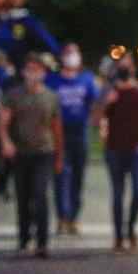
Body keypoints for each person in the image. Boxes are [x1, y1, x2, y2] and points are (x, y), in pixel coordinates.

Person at [0, 54, 64, 258]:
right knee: (23, 197)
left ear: (44, 72)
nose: (33, 73)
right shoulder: (14, 95)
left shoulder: (51, 97)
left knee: (40, 194)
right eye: (30, 69)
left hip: (44, 152)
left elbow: (56, 127)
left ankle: (42, 242)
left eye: (38, 69)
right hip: (21, 152)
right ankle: (24, 237)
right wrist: (6, 142)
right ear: (24, 72)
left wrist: (59, 155)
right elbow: (3, 122)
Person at [96, 64, 138, 253]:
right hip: (114, 149)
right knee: (118, 195)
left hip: (136, 149)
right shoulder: (109, 91)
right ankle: (118, 236)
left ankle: (131, 228)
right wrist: (107, 103)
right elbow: (95, 119)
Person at [45, 41, 97, 235]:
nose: (71, 56)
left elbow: (94, 104)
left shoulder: (87, 79)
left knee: (78, 177)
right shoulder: (52, 80)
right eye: (68, 52)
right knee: (60, 176)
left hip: (80, 132)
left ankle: (73, 218)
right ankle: (62, 216)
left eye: (75, 52)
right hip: (59, 133)